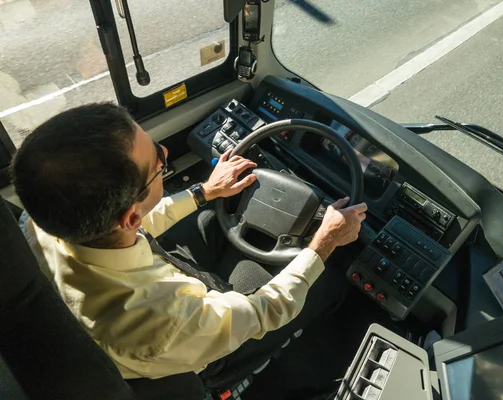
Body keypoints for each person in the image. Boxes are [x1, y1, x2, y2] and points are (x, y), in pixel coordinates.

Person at [12, 102, 367, 380]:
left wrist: (204, 192)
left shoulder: (35, 223)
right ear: (130, 217)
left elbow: (127, 223)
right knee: (330, 281)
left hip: (147, 301)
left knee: (211, 218)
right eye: (159, 162)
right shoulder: (165, 325)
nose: (166, 151)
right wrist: (323, 243)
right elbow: (266, 311)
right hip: (188, 356)